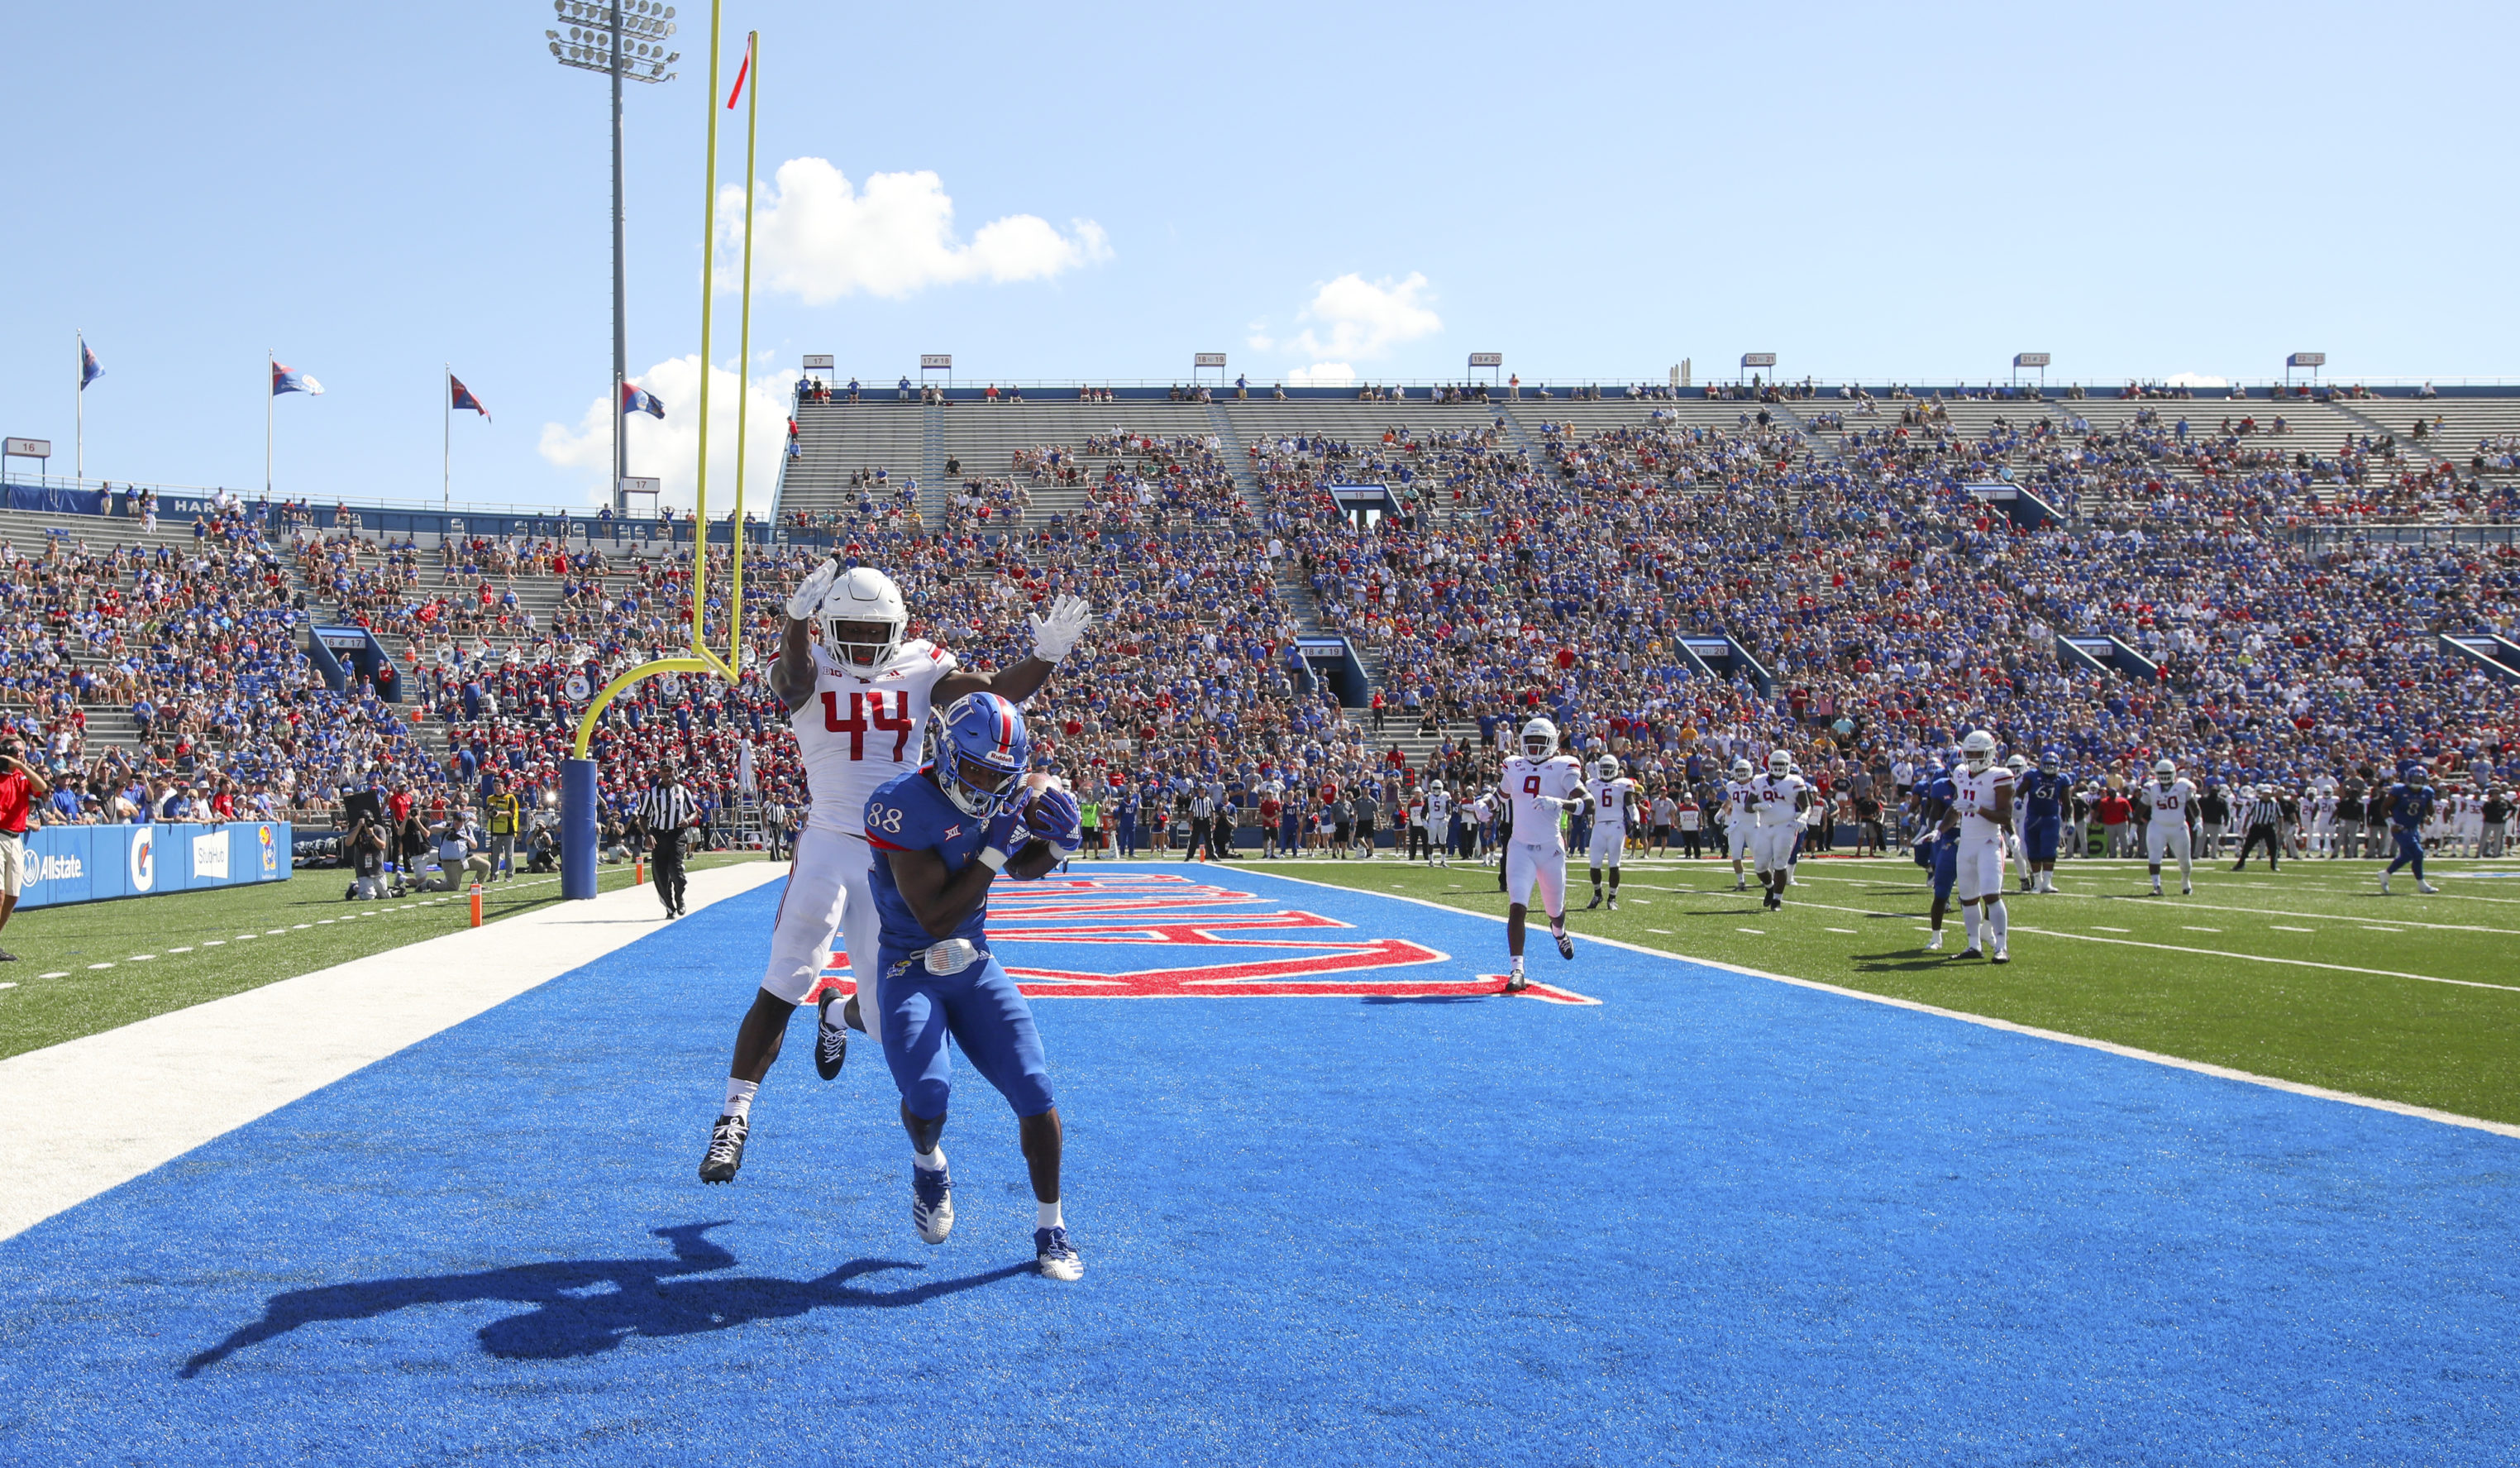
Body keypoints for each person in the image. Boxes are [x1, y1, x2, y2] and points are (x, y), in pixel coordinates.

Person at [699, 562, 1090, 1187]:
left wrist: (1044, 657)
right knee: (785, 977)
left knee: (884, 1023)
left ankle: (837, 1014)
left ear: (899, 627)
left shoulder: (921, 663)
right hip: (829, 839)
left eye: (871, 629)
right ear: (827, 624)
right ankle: (732, 1117)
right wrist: (794, 624)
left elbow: (988, 694)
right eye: (845, 627)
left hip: (897, 850)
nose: (857, 642)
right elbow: (792, 675)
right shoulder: (811, 659)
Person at [863, 693, 1085, 1280]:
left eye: (1000, 775)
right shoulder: (900, 804)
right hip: (911, 962)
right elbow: (935, 915)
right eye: (980, 768)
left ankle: (1051, 1226)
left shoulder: (1005, 788)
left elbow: (1019, 863)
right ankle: (927, 1161)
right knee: (929, 1093)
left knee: (1035, 1085)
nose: (989, 784)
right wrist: (996, 843)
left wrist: (1059, 842)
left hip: (974, 963)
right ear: (948, 753)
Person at [1499, 717, 1587, 992]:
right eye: (1531, 742)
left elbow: (1589, 803)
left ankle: (1558, 931)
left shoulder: (1564, 766)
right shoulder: (1514, 765)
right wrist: (1485, 804)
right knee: (1517, 907)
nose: (1535, 748)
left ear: (1552, 743)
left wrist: (1560, 801)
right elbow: (1500, 795)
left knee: (1555, 910)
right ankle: (1517, 970)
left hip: (1550, 850)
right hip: (1520, 847)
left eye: (1540, 742)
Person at [1951, 729, 2014, 964]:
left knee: (1991, 895)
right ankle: (1973, 945)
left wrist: (1978, 809)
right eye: (1970, 753)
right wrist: (1940, 829)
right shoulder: (1959, 773)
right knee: (1967, 898)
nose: (1973, 758)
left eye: (1978, 753)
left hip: (1988, 841)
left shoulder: (2000, 775)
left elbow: (2005, 816)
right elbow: (1956, 806)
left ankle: (2001, 947)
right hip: (1966, 842)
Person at [0, 739, 52, 963]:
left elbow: (42, 787)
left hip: (16, 839)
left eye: (21, 751)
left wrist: (21, 766)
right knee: (0, 894)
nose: (19, 754)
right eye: (14, 751)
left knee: (13, 896)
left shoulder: (23, 776)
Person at [637, 762, 699, 916]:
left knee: (676, 870)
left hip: (676, 834)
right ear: (659, 773)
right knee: (660, 873)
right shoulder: (652, 793)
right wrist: (648, 834)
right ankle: (669, 905)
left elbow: (694, 812)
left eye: (669, 771)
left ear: (674, 772)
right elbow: (643, 817)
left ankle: (679, 896)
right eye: (664, 771)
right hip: (658, 835)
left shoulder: (682, 791)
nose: (667, 774)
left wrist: (688, 821)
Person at [1749, 748, 1806, 911]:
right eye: (1775, 764)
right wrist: (1755, 806)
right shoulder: (1759, 780)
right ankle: (1769, 887)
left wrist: (1803, 817)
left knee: (1780, 864)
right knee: (1760, 867)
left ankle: (1777, 901)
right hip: (1765, 827)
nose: (1778, 768)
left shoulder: (1794, 781)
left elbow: (1806, 805)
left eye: (1782, 764)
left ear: (1788, 765)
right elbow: (1748, 805)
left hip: (1786, 826)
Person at [1914, 761, 1962, 951]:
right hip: (1950, 836)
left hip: (1976, 838)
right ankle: (1936, 937)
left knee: (1986, 891)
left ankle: (1984, 937)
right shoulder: (1941, 785)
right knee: (1941, 888)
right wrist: (1935, 827)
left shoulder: (1983, 783)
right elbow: (1937, 811)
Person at [1584, 755, 1635, 911]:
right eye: (1603, 768)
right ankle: (1597, 894)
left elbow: (1631, 806)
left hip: (1616, 827)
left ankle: (1612, 898)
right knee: (1594, 864)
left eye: (1609, 768)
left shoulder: (1623, 784)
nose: (1606, 772)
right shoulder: (1592, 783)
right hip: (1599, 826)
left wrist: (1636, 821)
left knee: (1614, 865)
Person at [2379, 767, 2440, 896]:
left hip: (2414, 828)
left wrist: (2430, 818)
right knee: (2418, 853)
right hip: (2400, 827)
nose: (2417, 782)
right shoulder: (2399, 790)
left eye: (2420, 779)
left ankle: (2386, 874)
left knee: (2407, 856)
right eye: (2415, 779)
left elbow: (2431, 811)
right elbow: (2384, 808)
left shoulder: (2427, 792)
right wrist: (2391, 823)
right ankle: (2422, 884)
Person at [2144, 759, 2198, 896]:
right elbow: (2141, 807)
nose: (2164, 776)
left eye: (2167, 773)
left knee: (2185, 861)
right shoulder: (2151, 787)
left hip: (2178, 827)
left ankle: (2185, 881)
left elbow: (2193, 805)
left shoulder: (2183, 786)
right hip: (2157, 826)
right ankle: (2157, 886)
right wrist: (2132, 827)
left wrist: (2198, 820)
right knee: (2154, 857)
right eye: (2161, 773)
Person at [2018, 749, 2068, 893]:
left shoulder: (2062, 779)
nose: (2050, 767)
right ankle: (2037, 883)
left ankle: (2047, 883)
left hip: (2051, 818)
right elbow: (2019, 792)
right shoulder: (2032, 776)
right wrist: (2017, 801)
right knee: (2033, 851)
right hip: (2033, 818)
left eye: (2053, 764)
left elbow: (2067, 802)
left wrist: (2069, 819)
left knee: (2049, 850)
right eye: (2047, 764)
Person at [1721, 756, 1759, 892]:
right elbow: (1729, 801)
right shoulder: (1732, 786)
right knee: (1736, 854)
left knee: (1759, 854)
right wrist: (1720, 813)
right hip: (1737, 824)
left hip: (1753, 824)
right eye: (1739, 770)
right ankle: (1741, 882)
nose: (1742, 773)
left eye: (1744, 770)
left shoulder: (1756, 785)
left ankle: (1768, 879)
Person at [2231, 783, 2284, 873]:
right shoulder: (2256, 803)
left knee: (2273, 847)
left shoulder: (2275, 804)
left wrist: (2280, 828)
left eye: (2268, 794)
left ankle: (2273, 865)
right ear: (2262, 794)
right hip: (2257, 826)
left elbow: (2280, 816)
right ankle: (2241, 864)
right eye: (2265, 793)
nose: (2266, 795)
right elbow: (2249, 814)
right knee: (2248, 846)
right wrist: (2244, 826)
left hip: (2269, 827)